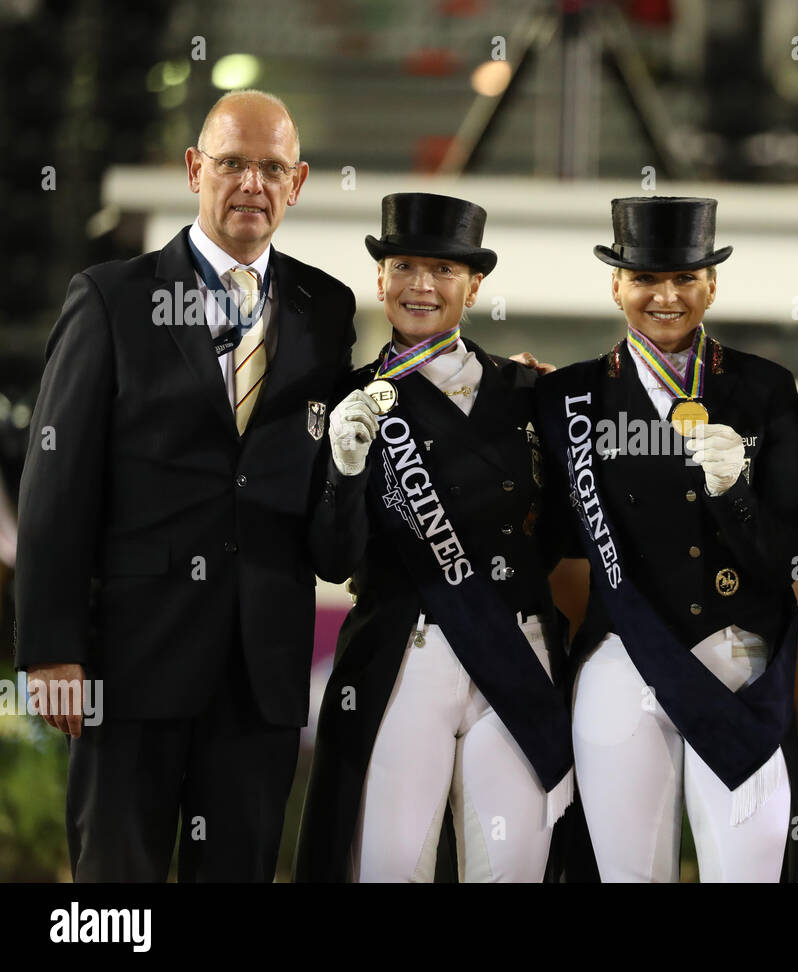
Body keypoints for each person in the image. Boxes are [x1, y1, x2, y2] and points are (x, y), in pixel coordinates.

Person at [14, 90, 368, 881]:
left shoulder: (324, 309)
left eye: (272, 168)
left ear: (299, 181)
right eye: (233, 163)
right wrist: (51, 650)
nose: (252, 184)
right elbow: (55, 482)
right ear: (193, 169)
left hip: (259, 673)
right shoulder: (110, 297)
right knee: (115, 896)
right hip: (131, 663)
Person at [294, 193, 573, 883]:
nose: (422, 285)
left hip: (516, 653)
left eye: (444, 270)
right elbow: (331, 558)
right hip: (400, 658)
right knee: (390, 870)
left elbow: (566, 538)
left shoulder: (527, 391)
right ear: (380, 279)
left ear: (474, 285)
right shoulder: (346, 398)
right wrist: (345, 467)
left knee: (511, 871)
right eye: (406, 266)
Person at [535, 196, 798, 882]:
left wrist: (734, 494)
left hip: (737, 659)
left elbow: (784, 556)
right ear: (617, 285)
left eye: (686, 278)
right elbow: (556, 538)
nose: (666, 296)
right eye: (646, 279)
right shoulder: (568, 397)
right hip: (623, 661)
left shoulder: (766, 388)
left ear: (712, 285)